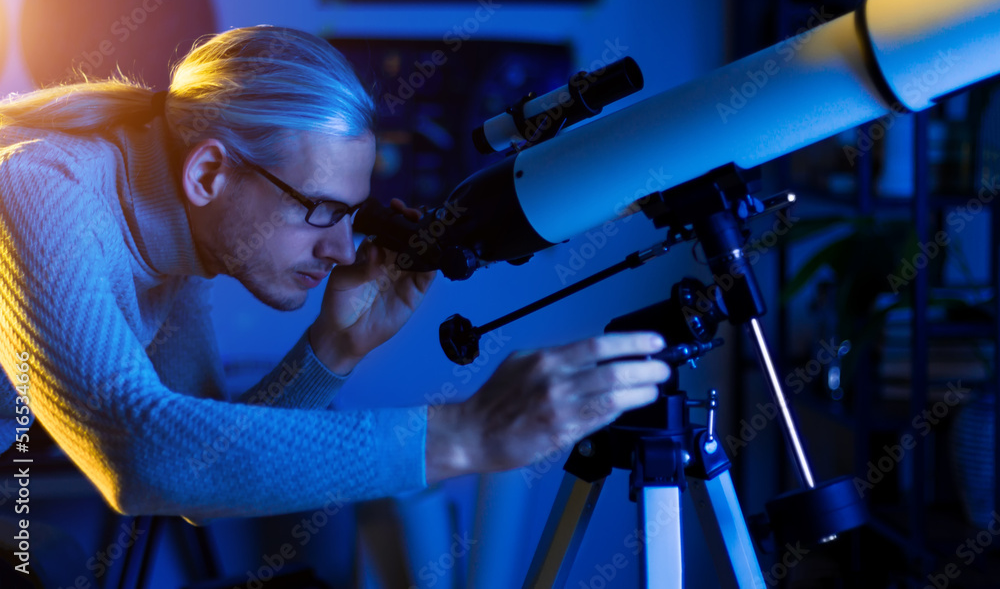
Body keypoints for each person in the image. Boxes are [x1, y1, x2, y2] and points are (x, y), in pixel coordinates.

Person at [0, 25, 669, 521]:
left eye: (352, 216)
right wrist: (467, 434)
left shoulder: (178, 245)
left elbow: (198, 484)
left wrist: (334, 347)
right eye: (321, 210)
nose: (345, 251)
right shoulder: (38, 189)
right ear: (208, 172)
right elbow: (144, 459)